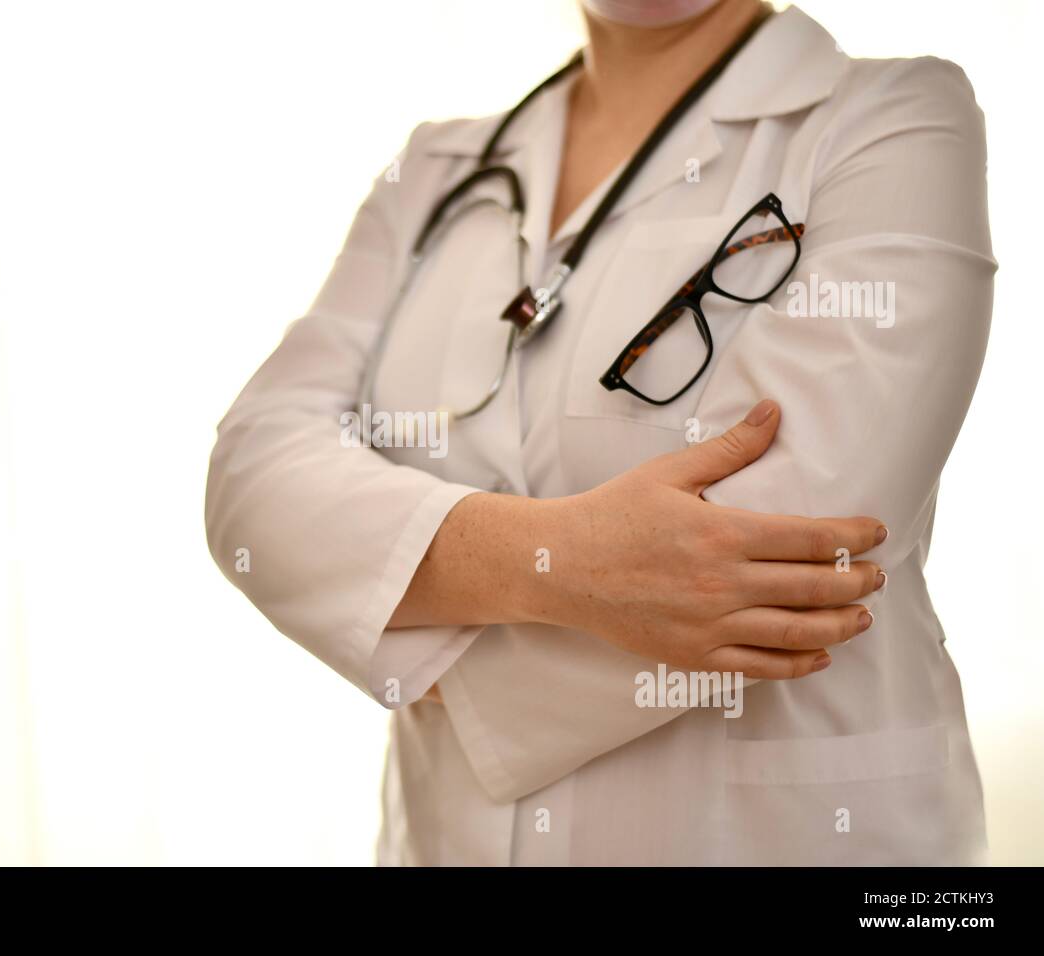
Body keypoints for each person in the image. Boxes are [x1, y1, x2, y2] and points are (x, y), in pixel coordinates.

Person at [205, 0, 994, 864]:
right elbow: (257, 478)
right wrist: (571, 562)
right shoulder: (437, 170)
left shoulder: (892, 121)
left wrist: (413, 627)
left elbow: (783, 557)